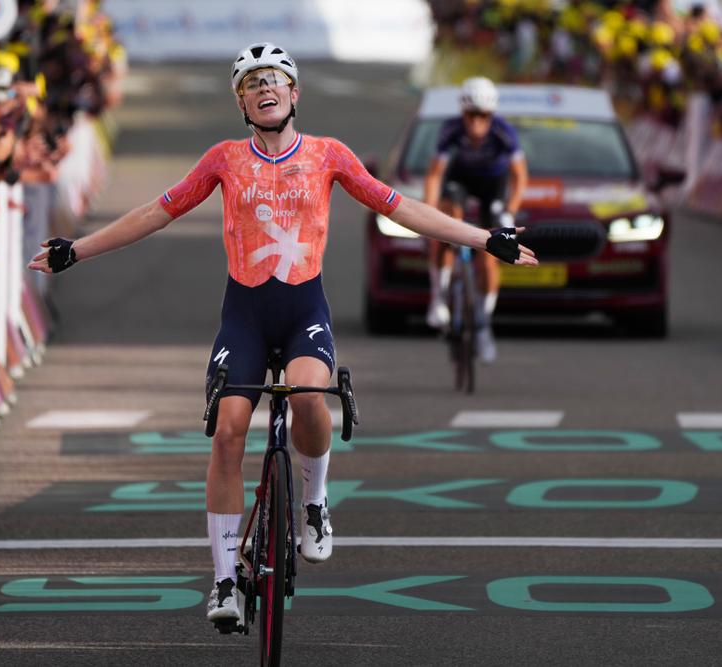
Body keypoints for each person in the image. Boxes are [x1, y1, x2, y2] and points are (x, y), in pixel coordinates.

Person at [28, 42, 536, 626]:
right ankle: (223, 581)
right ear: (241, 101)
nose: (264, 88)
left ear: (295, 93)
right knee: (227, 433)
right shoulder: (223, 159)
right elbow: (155, 213)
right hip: (243, 315)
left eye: (275, 79)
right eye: (251, 82)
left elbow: (402, 209)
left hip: (303, 313)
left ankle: (315, 501)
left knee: (308, 398)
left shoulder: (328, 155)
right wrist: (76, 251)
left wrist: (483, 238)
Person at [423, 76, 528, 363]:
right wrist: (429, 212)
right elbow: (434, 175)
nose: (476, 123)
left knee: (491, 255)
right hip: (461, 181)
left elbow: (519, 176)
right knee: (444, 222)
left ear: (491, 115)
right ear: (463, 113)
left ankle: (483, 324)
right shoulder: (450, 130)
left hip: (493, 185)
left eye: (482, 116)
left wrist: (511, 209)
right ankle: (437, 298)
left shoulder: (503, 132)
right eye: (470, 115)